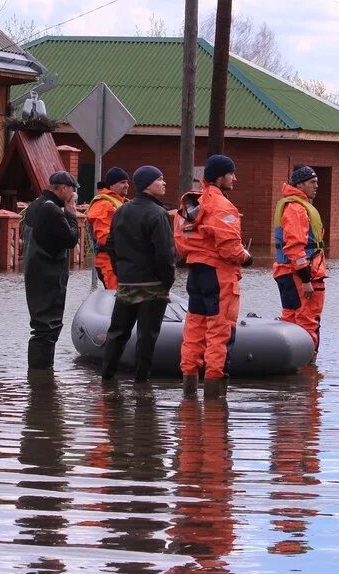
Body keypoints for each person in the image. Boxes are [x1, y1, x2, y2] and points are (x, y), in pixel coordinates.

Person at [175, 154, 251, 397]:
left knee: (194, 330)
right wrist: (246, 257)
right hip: (219, 274)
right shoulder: (222, 206)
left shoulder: (189, 206)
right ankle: (215, 399)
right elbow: (229, 247)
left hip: (196, 274)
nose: (235, 178)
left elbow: (181, 243)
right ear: (220, 177)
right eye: (232, 174)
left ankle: (188, 391)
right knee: (220, 332)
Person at [101, 165, 177, 382]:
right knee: (147, 336)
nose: (164, 183)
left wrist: (121, 274)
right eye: (159, 179)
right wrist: (167, 282)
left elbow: (110, 246)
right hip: (152, 286)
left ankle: (107, 379)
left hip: (126, 283)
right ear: (147, 184)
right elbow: (164, 253)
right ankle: (141, 384)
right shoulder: (158, 214)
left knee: (117, 332)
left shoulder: (121, 211)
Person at [22, 170, 82, 370]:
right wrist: (72, 215)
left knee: (41, 328)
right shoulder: (52, 210)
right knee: (47, 329)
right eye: (72, 190)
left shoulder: (35, 205)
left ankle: (38, 383)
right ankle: (41, 378)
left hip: (35, 275)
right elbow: (71, 239)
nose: (74, 195)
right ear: (63, 188)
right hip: (48, 277)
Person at [272, 164, 326, 351]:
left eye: (317, 182)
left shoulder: (294, 206)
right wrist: (305, 279)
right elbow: (295, 248)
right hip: (300, 275)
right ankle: (308, 371)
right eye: (312, 182)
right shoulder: (296, 209)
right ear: (300, 185)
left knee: (291, 319)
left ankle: (294, 371)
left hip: (288, 273)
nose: (316, 186)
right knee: (307, 322)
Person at [88, 167, 130, 290]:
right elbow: (103, 237)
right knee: (115, 296)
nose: (127, 185)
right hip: (108, 261)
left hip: (119, 259)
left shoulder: (120, 202)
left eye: (127, 182)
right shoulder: (104, 204)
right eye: (122, 182)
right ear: (111, 185)